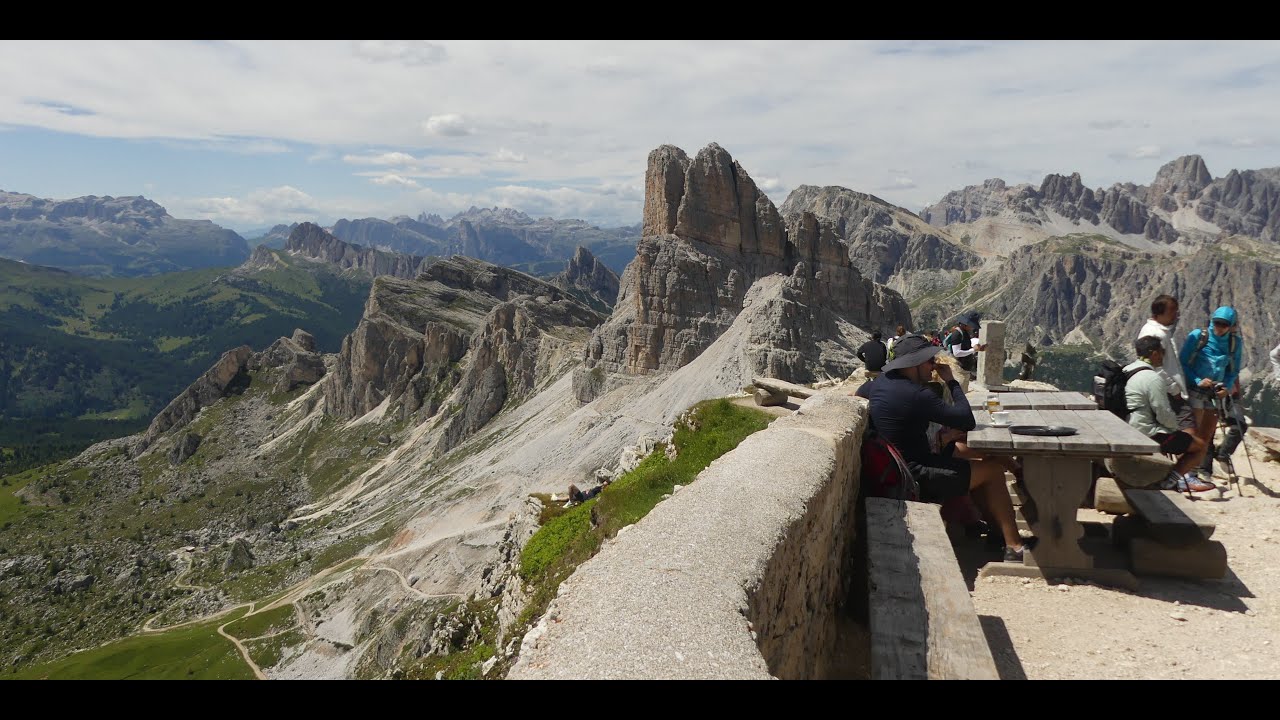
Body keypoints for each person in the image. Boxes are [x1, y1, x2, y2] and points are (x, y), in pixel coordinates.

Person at [857, 334, 1035, 561]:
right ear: (915, 364)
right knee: (992, 471)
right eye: (930, 361)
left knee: (974, 455)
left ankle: (998, 532)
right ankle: (1015, 547)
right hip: (914, 475)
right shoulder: (916, 394)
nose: (934, 367)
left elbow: (857, 394)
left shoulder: (881, 382)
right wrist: (951, 381)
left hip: (899, 464)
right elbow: (966, 420)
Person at [1125, 336, 1213, 492]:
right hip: (1147, 432)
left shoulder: (1128, 369)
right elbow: (1164, 414)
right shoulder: (1153, 378)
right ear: (1154, 353)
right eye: (1162, 351)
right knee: (1199, 446)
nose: (1163, 355)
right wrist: (1175, 428)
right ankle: (1170, 481)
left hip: (1129, 426)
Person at [1180, 306, 1244, 486]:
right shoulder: (1198, 337)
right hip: (1196, 390)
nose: (1219, 327)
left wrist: (1227, 387)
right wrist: (1198, 379)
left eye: (1224, 325)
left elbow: (1234, 370)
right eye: (1217, 323)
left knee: (1207, 435)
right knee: (1193, 434)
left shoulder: (1234, 343)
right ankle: (1184, 474)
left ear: (1231, 326)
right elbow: (1183, 363)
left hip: (1216, 393)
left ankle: (1194, 472)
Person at [1198, 380, 1249, 479]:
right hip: (1205, 392)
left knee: (1240, 425)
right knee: (1208, 431)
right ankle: (1205, 470)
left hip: (1230, 394)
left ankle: (1223, 454)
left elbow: (1235, 371)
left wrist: (1231, 388)